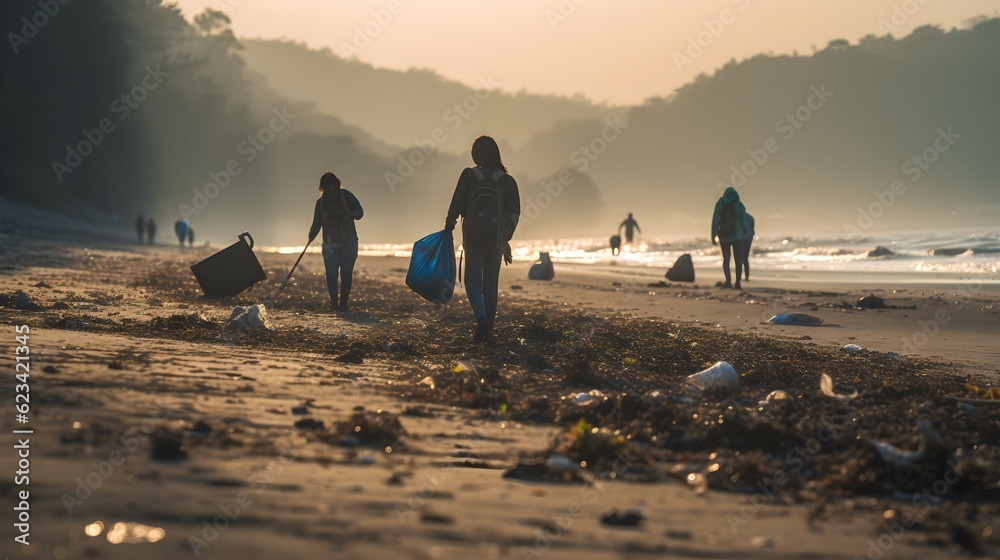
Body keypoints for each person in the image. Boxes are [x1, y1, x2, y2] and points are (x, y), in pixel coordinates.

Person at [446, 135, 520, 342]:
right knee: (490, 283)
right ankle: (490, 325)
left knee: (472, 281)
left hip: (472, 235)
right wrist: (506, 239)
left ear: (476, 155)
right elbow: (514, 213)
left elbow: (457, 202)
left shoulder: (469, 175)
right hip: (496, 238)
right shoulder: (507, 181)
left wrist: (448, 224)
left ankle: (482, 320)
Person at [308, 172, 364, 311]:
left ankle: (343, 303)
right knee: (331, 275)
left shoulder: (346, 195)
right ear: (323, 188)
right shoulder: (320, 204)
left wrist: (349, 214)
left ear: (336, 184)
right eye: (327, 187)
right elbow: (316, 223)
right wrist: (311, 236)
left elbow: (360, 213)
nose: (330, 190)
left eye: (332, 186)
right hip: (330, 245)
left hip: (349, 242)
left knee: (346, 274)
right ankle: (334, 304)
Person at [711, 186, 747, 289]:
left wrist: (713, 236)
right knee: (738, 259)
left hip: (723, 237)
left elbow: (714, 220)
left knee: (726, 259)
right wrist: (744, 231)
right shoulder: (739, 205)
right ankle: (738, 282)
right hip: (737, 236)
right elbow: (742, 220)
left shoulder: (720, 204)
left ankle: (728, 281)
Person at [740, 212, 755, 281]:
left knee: (740, 258)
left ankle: (739, 276)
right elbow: (752, 230)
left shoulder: (738, 217)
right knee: (745, 258)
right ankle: (747, 276)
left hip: (741, 238)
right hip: (749, 238)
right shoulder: (751, 217)